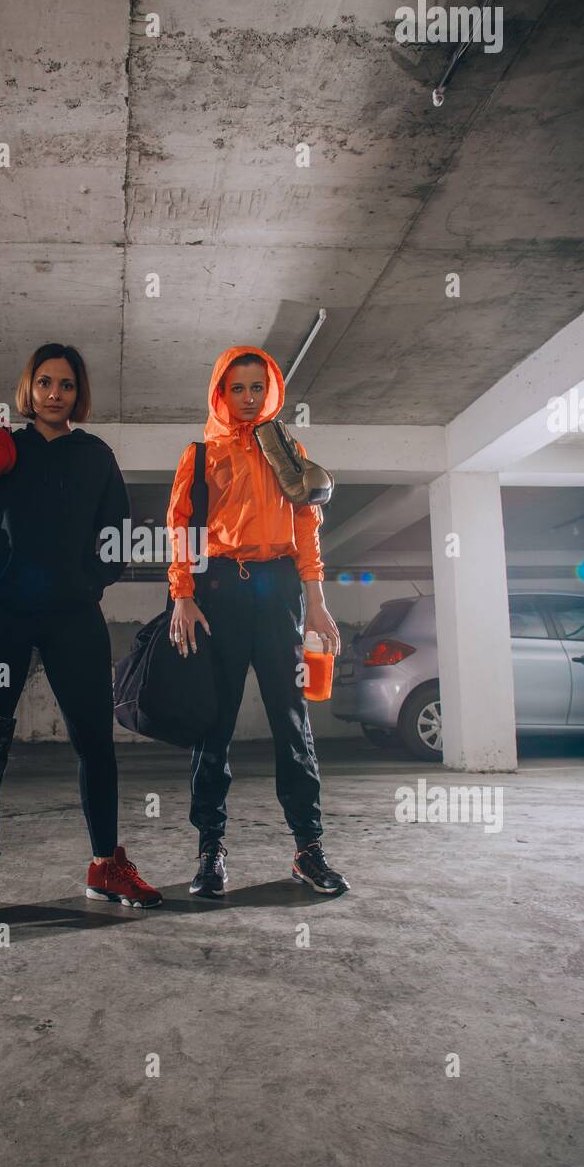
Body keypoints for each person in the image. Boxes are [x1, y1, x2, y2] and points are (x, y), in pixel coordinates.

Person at [0, 343, 162, 921]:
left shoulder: (95, 456)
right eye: (44, 382)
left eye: (64, 384)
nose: (54, 393)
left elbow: (118, 534)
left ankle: (105, 864)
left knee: (95, 742)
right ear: (28, 389)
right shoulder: (2, 450)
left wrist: (89, 582)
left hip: (71, 616)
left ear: (77, 392)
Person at [166, 346, 350, 900]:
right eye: (237, 389)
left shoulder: (288, 450)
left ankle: (308, 850)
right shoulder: (199, 455)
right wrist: (183, 595)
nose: (247, 399)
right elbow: (181, 529)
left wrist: (316, 602)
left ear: (268, 392)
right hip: (219, 591)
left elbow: (307, 532)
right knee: (213, 728)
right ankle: (210, 853)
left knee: (292, 724)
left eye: (256, 389)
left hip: (280, 593)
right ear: (220, 394)